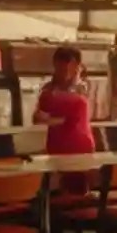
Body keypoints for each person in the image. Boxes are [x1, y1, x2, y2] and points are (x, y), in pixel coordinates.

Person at [35, 46, 96, 194]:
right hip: (58, 147)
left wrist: (53, 120)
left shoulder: (83, 88)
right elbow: (38, 117)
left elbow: (74, 118)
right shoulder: (48, 90)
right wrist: (56, 120)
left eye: (68, 68)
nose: (63, 73)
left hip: (81, 146)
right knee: (63, 191)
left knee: (80, 191)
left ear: (77, 67)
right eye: (59, 69)